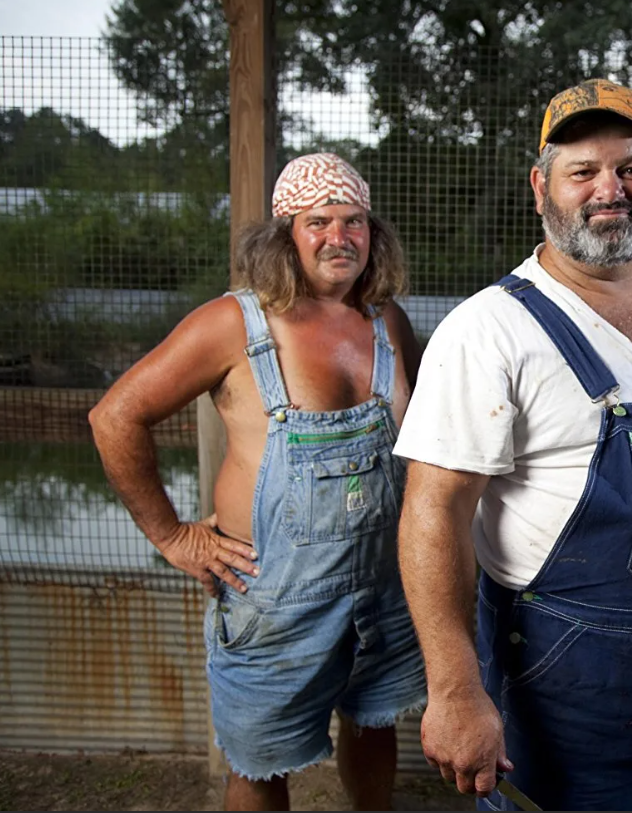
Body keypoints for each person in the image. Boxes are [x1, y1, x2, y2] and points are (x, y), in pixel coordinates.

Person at [394, 78, 632, 811]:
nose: (611, 189)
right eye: (583, 172)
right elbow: (432, 514)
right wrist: (453, 689)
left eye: (631, 168)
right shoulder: (488, 332)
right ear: (541, 188)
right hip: (566, 675)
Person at [89, 153, 426, 811]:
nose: (340, 236)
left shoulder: (387, 321)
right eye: (318, 221)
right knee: (260, 763)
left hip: (385, 586)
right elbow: (116, 416)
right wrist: (172, 535)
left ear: (373, 233)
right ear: (285, 235)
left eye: (354, 220)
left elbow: (423, 441)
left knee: (375, 721)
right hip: (273, 598)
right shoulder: (232, 325)